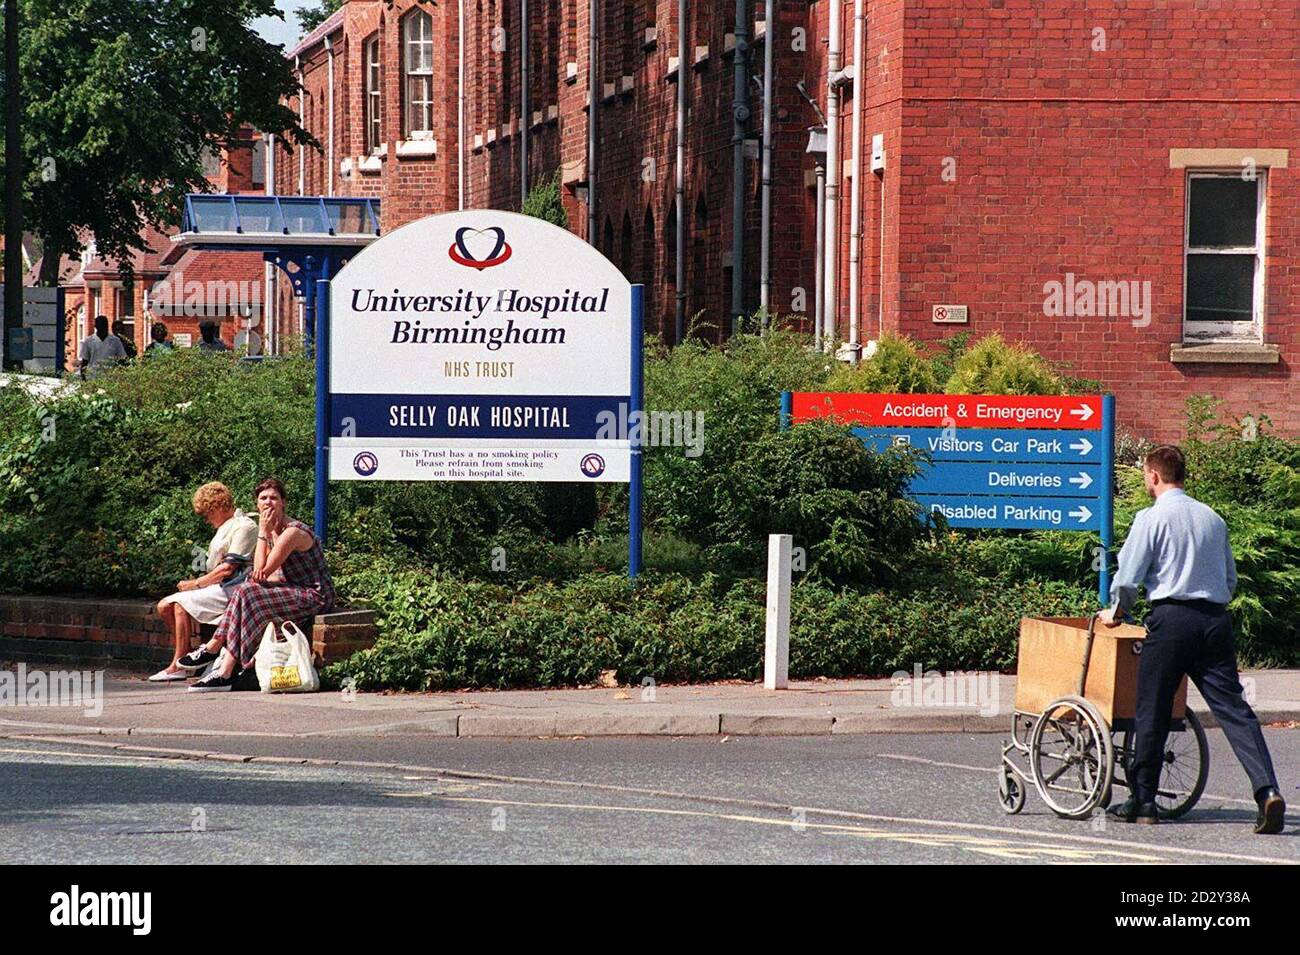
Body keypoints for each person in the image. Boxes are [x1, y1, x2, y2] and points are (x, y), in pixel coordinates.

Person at [1099, 445, 1285, 834]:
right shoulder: (1213, 519)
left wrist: (1116, 613)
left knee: (1151, 708)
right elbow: (1230, 580)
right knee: (1234, 709)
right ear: (1182, 475)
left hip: (1171, 620)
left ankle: (1145, 800)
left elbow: (1130, 577)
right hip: (1215, 622)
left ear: (1153, 476)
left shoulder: (1150, 519)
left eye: (1145, 476)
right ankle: (1267, 790)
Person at [180, 478, 335, 692]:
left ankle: (215, 652)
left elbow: (263, 570)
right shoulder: (271, 531)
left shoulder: (292, 531)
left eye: (274, 498)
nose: (268, 503)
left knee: (247, 591)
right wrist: (265, 535)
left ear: (283, 503)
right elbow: (260, 574)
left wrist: (262, 531)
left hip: (315, 595)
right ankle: (224, 671)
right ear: (257, 504)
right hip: (292, 589)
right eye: (263, 498)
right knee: (246, 590)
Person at [150, 483, 258, 682]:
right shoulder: (226, 526)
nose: (206, 520)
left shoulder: (245, 526)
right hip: (221, 587)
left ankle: (177, 666)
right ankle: (185, 659)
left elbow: (228, 567)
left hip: (235, 590)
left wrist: (196, 584)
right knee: (165, 606)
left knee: (177, 604)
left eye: (207, 514)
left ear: (217, 507)